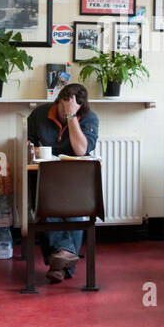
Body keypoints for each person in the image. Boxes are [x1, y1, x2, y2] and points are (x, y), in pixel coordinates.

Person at [26, 83, 99, 283]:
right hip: (45, 178)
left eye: (73, 110)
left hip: (76, 180)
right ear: (57, 101)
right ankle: (63, 260)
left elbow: (81, 151)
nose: (65, 112)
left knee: (74, 207)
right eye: (63, 108)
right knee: (47, 207)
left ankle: (58, 260)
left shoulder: (89, 117)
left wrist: (71, 116)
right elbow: (28, 144)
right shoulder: (39, 115)